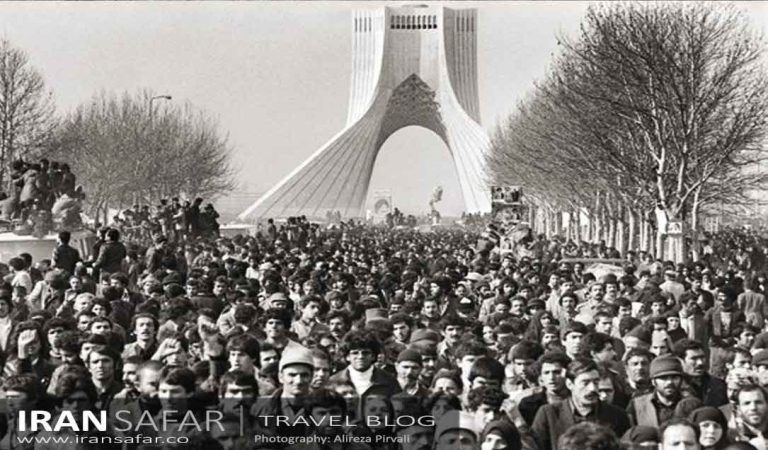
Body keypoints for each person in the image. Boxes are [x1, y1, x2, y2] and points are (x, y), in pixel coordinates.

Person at [531, 358, 630, 450]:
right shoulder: (548, 414)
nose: (592, 388)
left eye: (596, 382)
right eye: (585, 383)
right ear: (570, 384)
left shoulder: (617, 416)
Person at [627, 355, 686, 427]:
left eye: (674, 377)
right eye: (663, 378)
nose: (669, 382)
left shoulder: (690, 404)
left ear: (681, 380)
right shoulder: (637, 405)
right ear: (653, 381)